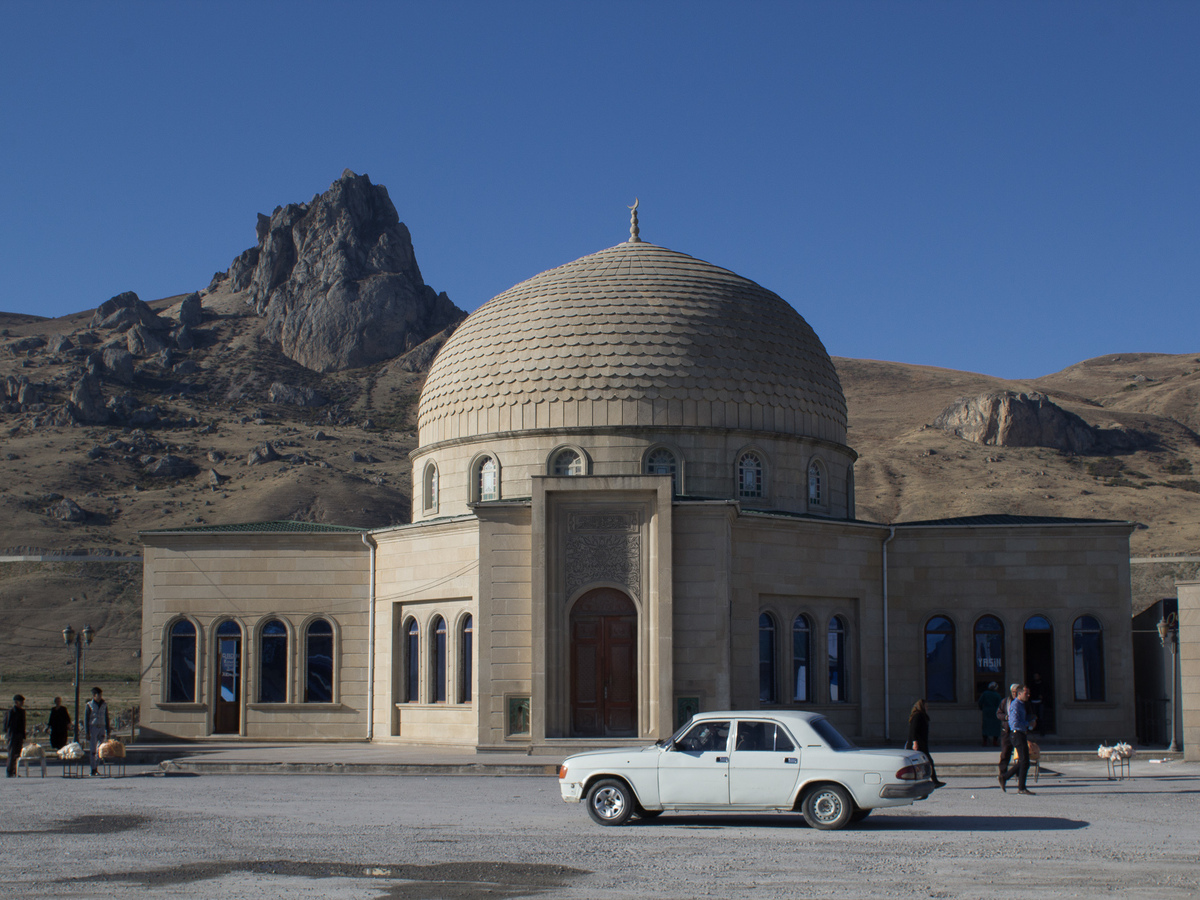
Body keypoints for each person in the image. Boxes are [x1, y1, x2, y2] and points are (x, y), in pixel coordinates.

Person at [1000, 683, 1037, 795]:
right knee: (1024, 761)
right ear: (1019, 693)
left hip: (1021, 733)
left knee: (1024, 761)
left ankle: (1014, 783)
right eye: (1026, 693)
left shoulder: (1022, 704)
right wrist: (1028, 724)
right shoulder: (1016, 705)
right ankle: (1008, 779)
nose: (1028, 695)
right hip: (1017, 734)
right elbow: (1014, 722)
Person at [905, 699, 945, 787]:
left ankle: (933, 781)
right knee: (927, 762)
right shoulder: (917, 716)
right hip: (918, 745)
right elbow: (913, 731)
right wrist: (915, 743)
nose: (927, 708)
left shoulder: (922, 716)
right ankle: (934, 781)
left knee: (925, 762)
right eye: (926, 706)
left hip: (921, 744)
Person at [84, 687, 110, 776]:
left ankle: (97, 766)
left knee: (100, 749)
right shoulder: (89, 705)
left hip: (102, 727)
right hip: (93, 727)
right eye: (98, 695)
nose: (100, 697)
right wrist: (87, 732)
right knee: (93, 750)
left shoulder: (104, 705)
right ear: (94, 695)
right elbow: (86, 719)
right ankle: (93, 768)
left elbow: (106, 717)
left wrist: (108, 730)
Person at [997, 683, 1019, 779]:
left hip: (1018, 731)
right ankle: (1003, 773)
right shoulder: (1005, 702)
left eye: (1017, 692)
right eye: (1013, 692)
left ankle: (1018, 773)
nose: (1015, 694)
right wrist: (1006, 717)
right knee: (1005, 752)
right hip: (1007, 730)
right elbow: (999, 713)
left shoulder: (1022, 702)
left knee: (1019, 754)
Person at [4, 695, 26, 778]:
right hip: (12, 735)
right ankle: (9, 771)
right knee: (12, 753)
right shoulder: (11, 712)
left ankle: (15, 771)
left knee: (17, 754)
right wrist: (8, 735)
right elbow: (7, 724)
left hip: (19, 734)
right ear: (16, 702)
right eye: (20, 701)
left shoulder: (22, 711)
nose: (22, 703)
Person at [978, 682, 1002, 747]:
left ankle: (985, 742)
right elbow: (1000, 704)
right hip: (995, 712)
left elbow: (980, 702)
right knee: (996, 727)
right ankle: (995, 741)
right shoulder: (997, 695)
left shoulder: (985, 694)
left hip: (986, 712)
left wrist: (982, 708)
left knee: (985, 727)